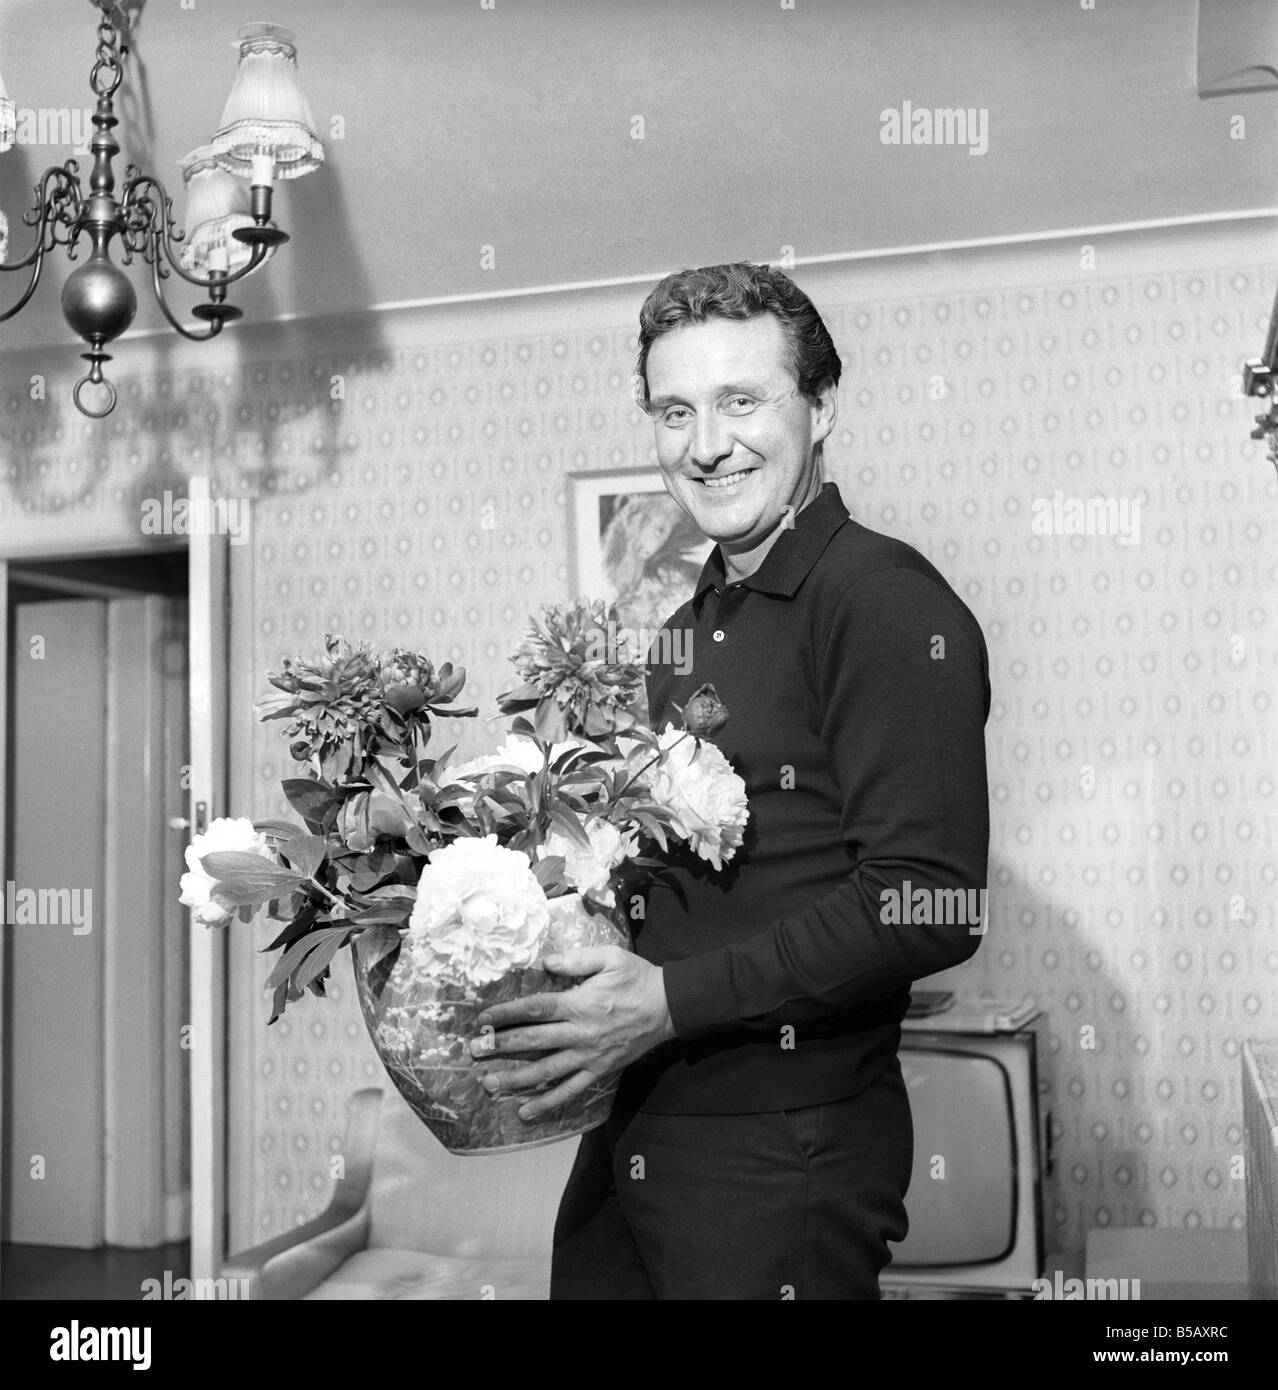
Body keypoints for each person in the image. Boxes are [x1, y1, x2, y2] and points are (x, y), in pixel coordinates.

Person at [471, 262, 991, 1299]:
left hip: (780, 1154)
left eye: (740, 401)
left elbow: (930, 901)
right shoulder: (680, 634)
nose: (706, 444)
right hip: (641, 1122)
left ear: (823, 403)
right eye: (675, 410)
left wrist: (667, 1001)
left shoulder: (880, 599)